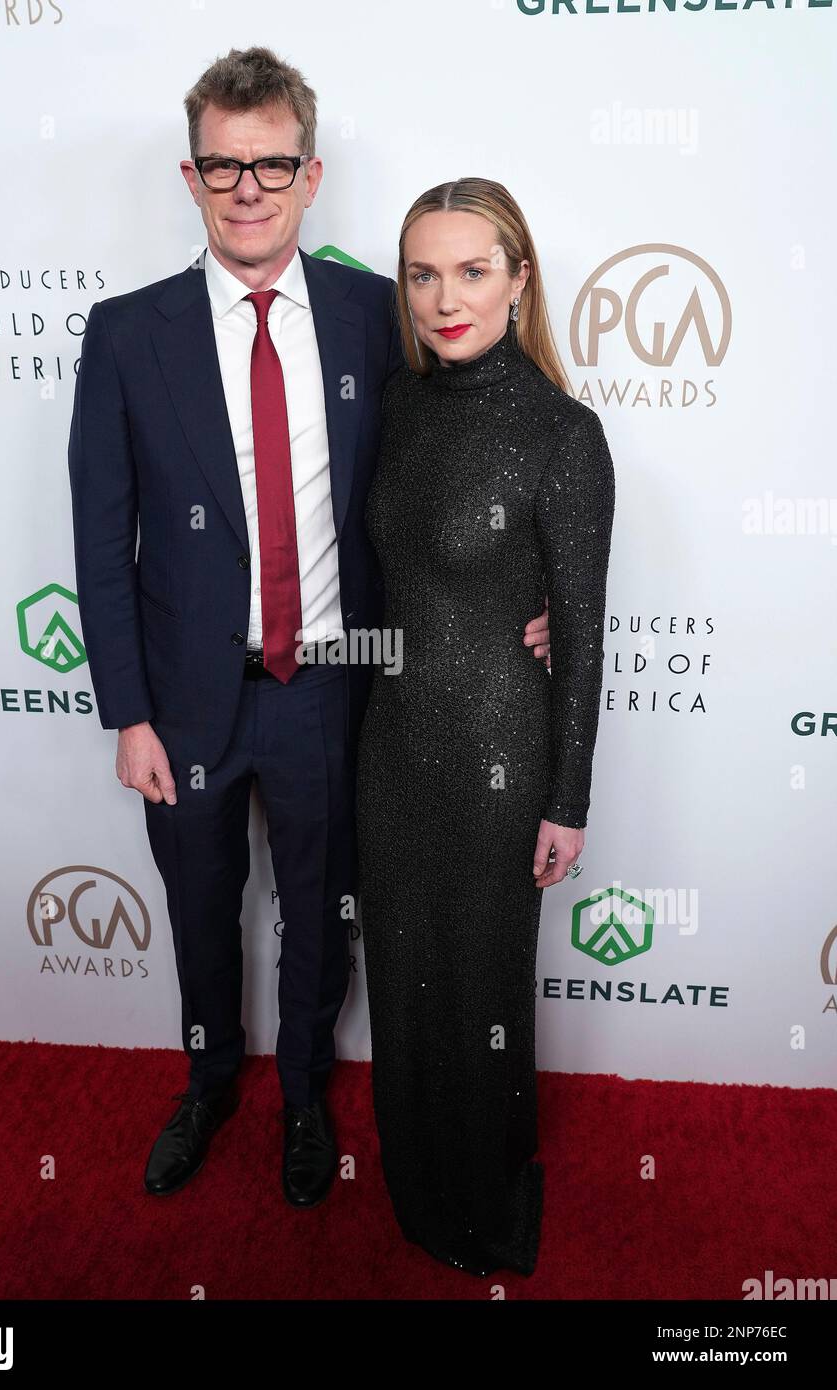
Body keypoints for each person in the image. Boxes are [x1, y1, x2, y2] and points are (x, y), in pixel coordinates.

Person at [67, 47, 553, 1212]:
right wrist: (127, 711)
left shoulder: (371, 315)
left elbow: (458, 460)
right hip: (186, 698)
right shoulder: (128, 335)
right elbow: (101, 539)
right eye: (223, 165)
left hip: (337, 684)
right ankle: (206, 1083)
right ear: (192, 177)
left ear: (310, 171)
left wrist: (523, 594)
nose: (248, 186)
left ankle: (300, 1100)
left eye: (271, 162)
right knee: (198, 911)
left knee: (322, 917)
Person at [356, 178, 616, 1276]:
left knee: (484, 994)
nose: (444, 297)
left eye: (472, 270)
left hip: (499, 764)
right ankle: (420, 1195)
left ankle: (492, 1208)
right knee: (406, 994)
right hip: (392, 747)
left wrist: (569, 800)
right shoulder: (400, 406)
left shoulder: (564, 433)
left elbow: (587, 636)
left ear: (520, 281)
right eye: (423, 272)